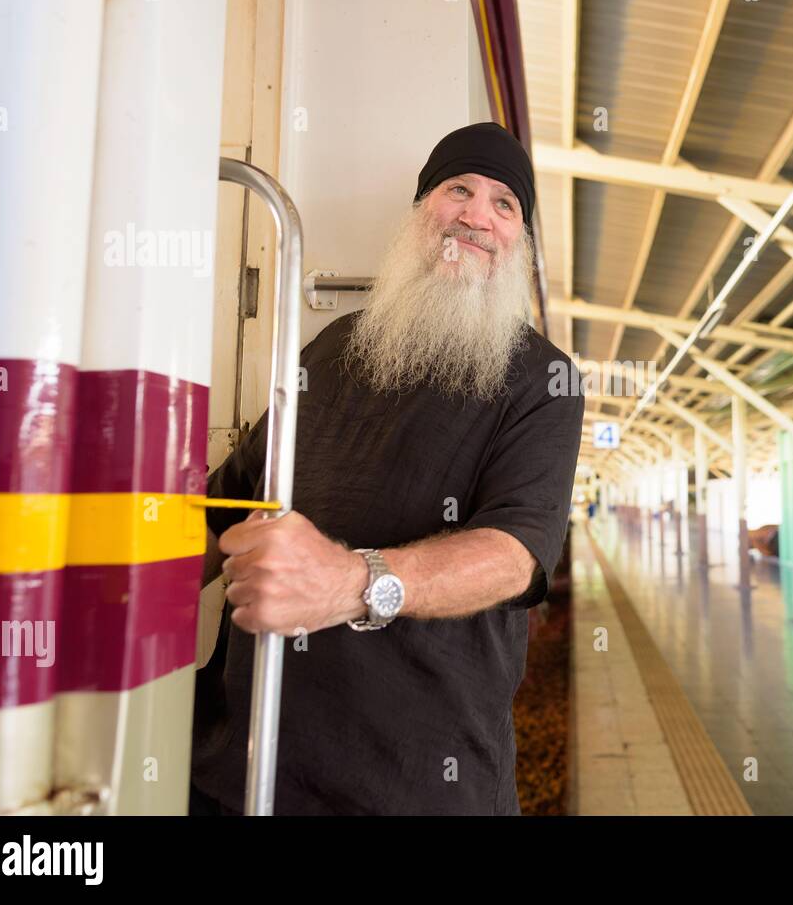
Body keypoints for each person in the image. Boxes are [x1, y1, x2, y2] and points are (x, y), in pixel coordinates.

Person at [190, 122, 584, 815]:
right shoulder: (333, 348)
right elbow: (220, 507)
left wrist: (351, 582)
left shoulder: (544, 380)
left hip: (415, 785)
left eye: (504, 204)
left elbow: (515, 557)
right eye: (457, 189)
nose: (476, 215)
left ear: (519, 240)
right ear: (420, 210)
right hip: (242, 770)